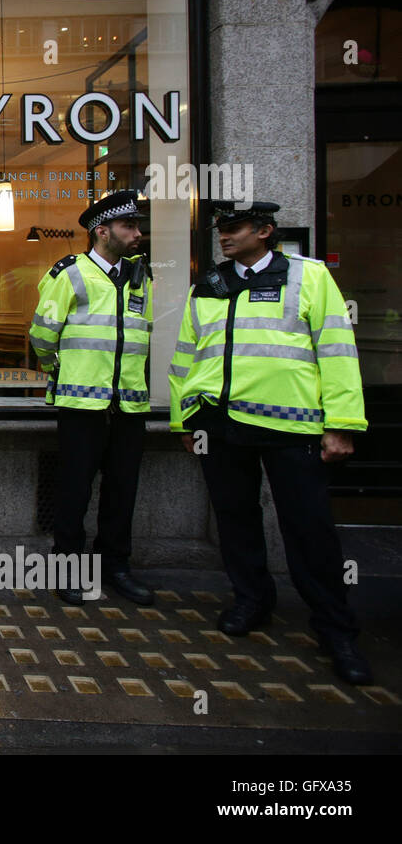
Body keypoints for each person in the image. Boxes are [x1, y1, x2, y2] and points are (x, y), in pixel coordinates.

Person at [169, 200, 372, 685]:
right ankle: (251, 601)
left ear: (265, 231)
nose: (224, 236)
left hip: (290, 427)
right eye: (221, 230)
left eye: (234, 228)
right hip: (219, 425)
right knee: (236, 520)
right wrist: (184, 420)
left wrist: (341, 423)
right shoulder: (211, 285)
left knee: (308, 529)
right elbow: (185, 355)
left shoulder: (309, 276)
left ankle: (335, 628)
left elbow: (338, 351)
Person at [28, 190, 156, 607]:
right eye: (129, 226)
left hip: (129, 404)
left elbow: (143, 334)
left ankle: (115, 567)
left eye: (137, 226)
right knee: (74, 491)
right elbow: (42, 335)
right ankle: (68, 569)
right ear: (102, 232)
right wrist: (62, 373)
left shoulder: (142, 276)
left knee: (123, 491)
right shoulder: (70, 273)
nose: (138, 233)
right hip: (82, 404)